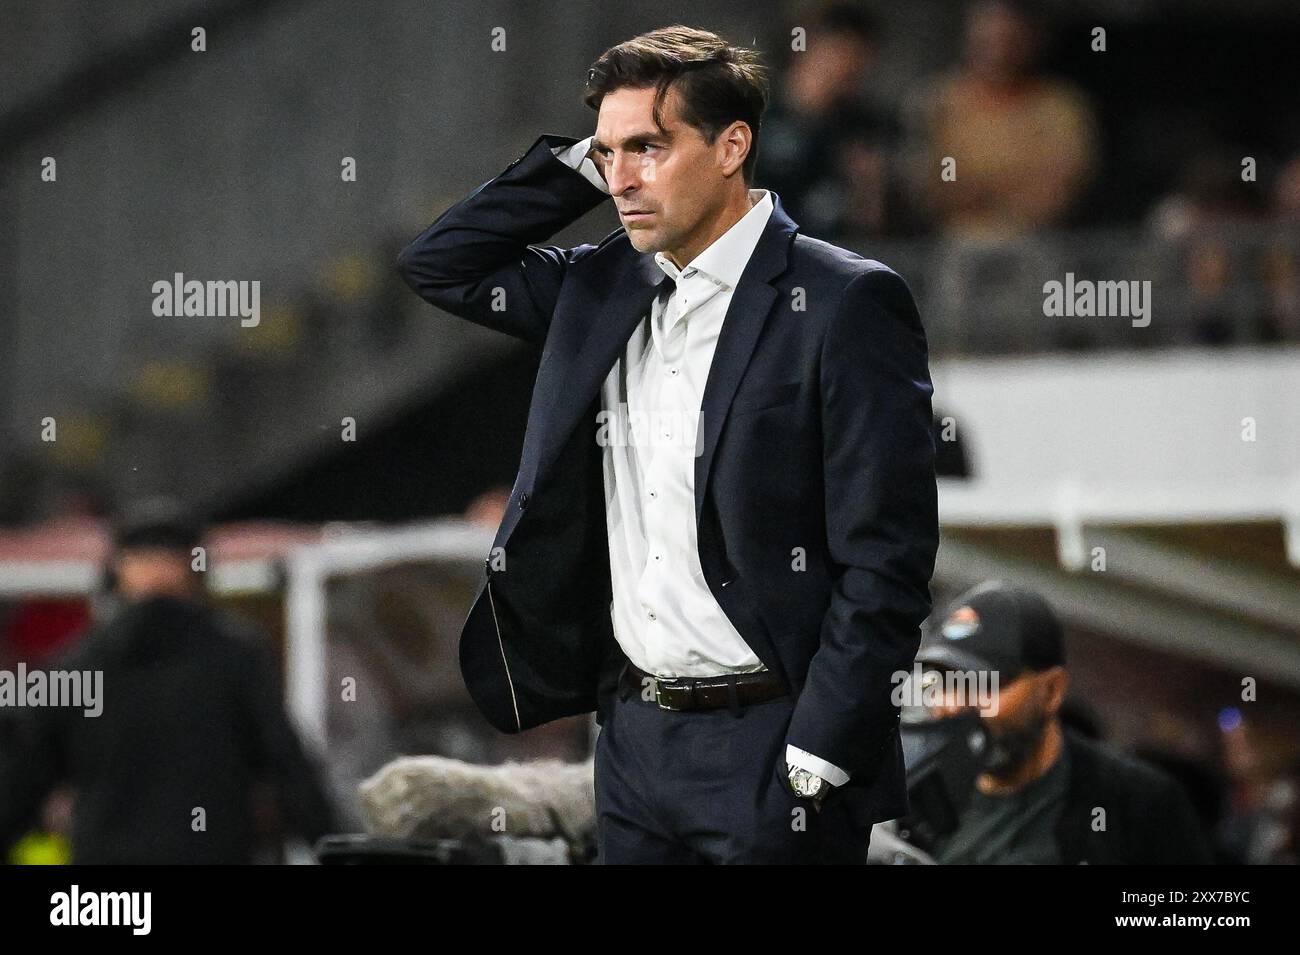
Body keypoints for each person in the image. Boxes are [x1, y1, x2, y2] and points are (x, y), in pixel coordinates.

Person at [398, 25, 938, 863]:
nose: (622, 178)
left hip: (774, 745)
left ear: (733, 146)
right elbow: (442, 263)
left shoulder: (845, 302)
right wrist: (585, 159)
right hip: (633, 740)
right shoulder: (600, 283)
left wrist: (823, 748)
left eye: (648, 147)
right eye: (608, 154)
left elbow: (889, 556)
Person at [0, 497, 339, 864]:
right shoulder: (237, 658)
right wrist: (339, 850)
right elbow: (293, 775)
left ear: (117, 571)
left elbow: (19, 784)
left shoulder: (78, 666)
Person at [914, 581, 1213, 864]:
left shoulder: (1138, 805)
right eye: (946, 682)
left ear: (1051, 690)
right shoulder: (916, 795)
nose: (954, 705)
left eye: (985, 686)